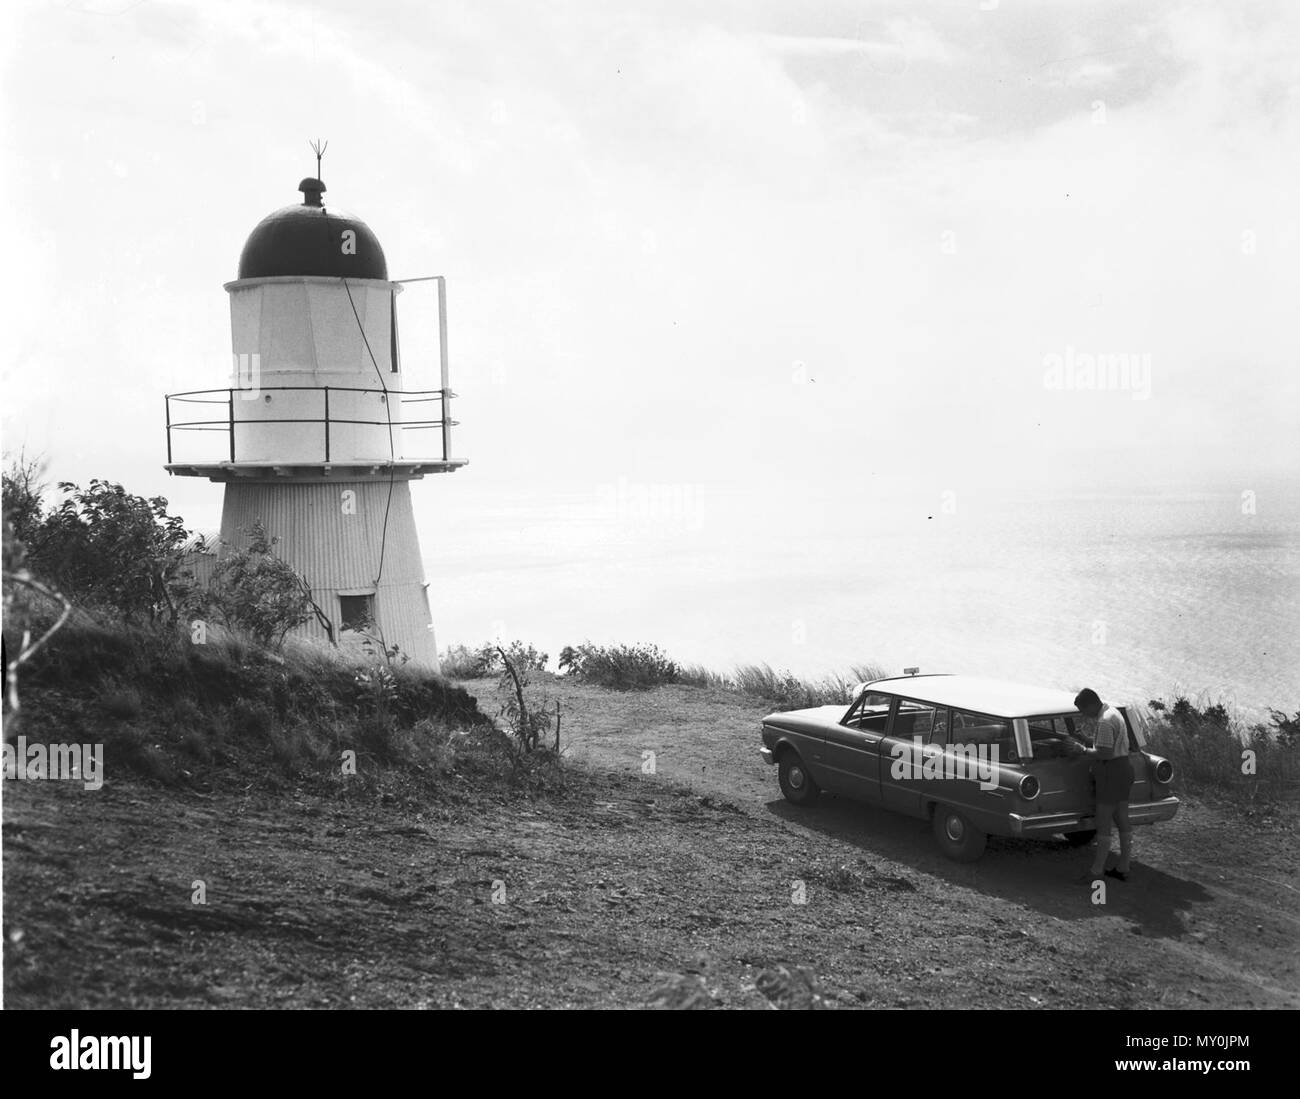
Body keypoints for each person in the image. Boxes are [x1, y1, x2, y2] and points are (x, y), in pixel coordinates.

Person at [1074, 687, 1133, 883]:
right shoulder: (1113, 713)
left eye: (1084, 711)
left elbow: (1104, 753)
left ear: (1091, 705)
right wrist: (1087, 739)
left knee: (1103, 820)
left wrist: (1081, 749)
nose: (1085, 715)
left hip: (1110, 771)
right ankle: (1123, 866)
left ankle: (1096, 870)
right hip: (1124, 767)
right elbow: (1107, 745)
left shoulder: (1104, 721)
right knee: (1122, 818)